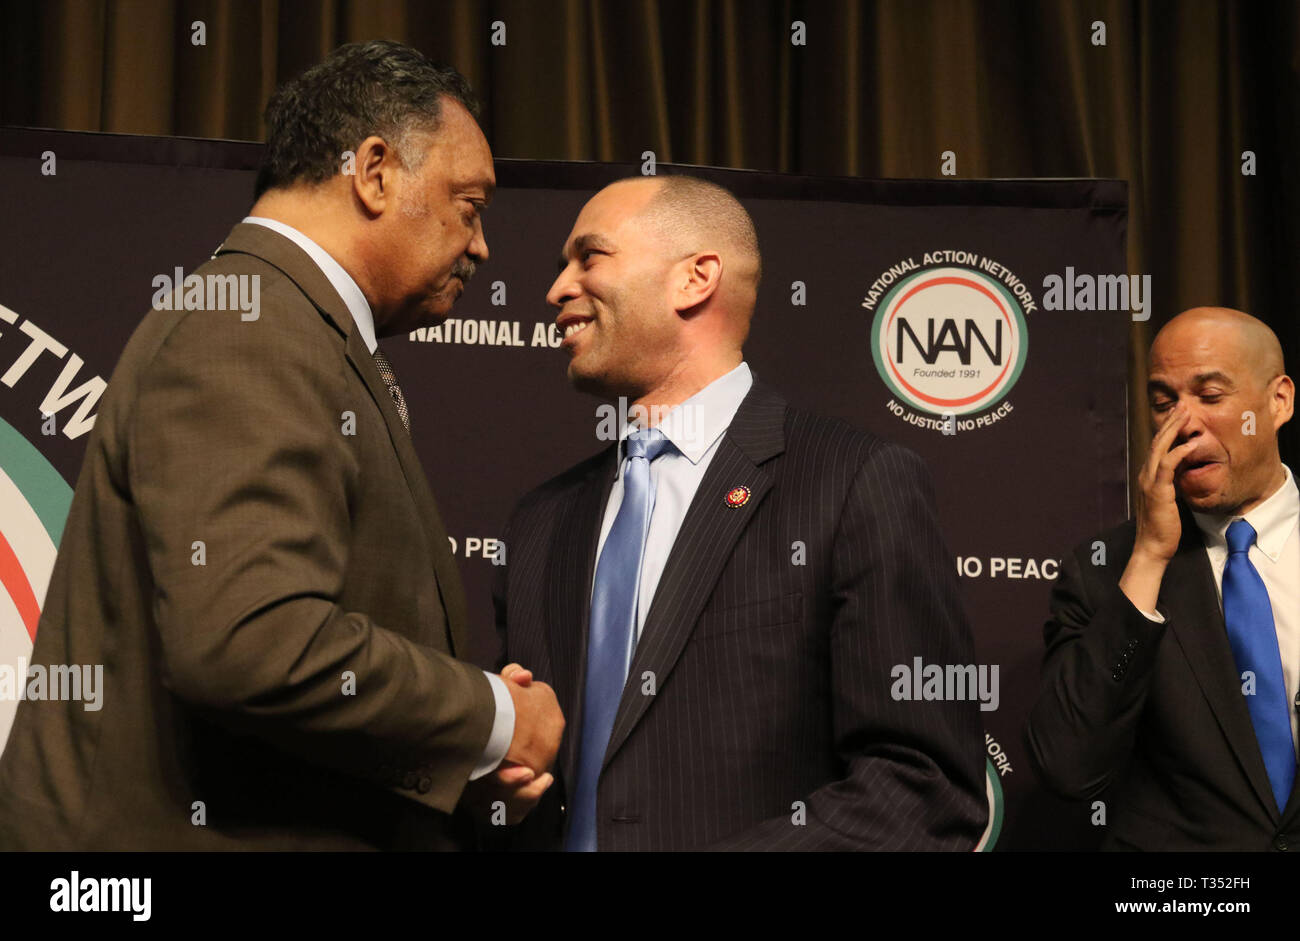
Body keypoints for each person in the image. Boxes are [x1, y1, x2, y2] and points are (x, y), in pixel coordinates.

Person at [0, 40, 562, 850]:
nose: (481, 247)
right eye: (467, 205)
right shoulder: (250, 325)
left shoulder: (291, 323)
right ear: (372, 171)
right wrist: (495, 715)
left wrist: (458, 734)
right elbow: (248, 642)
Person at [485, 175, 987, 850]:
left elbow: (924, 785)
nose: (557, 289)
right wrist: (497, 786)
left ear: (695, 279)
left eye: (589, 256)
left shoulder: (852, 481)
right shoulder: (540, 522)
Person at [1027, 307, 1299, 850]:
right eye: (1163, 402)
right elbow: (1068, 764)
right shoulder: (1108, 569)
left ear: (1278, 402)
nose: (1184, 423)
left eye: (1211, 396)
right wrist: (1150, 557)